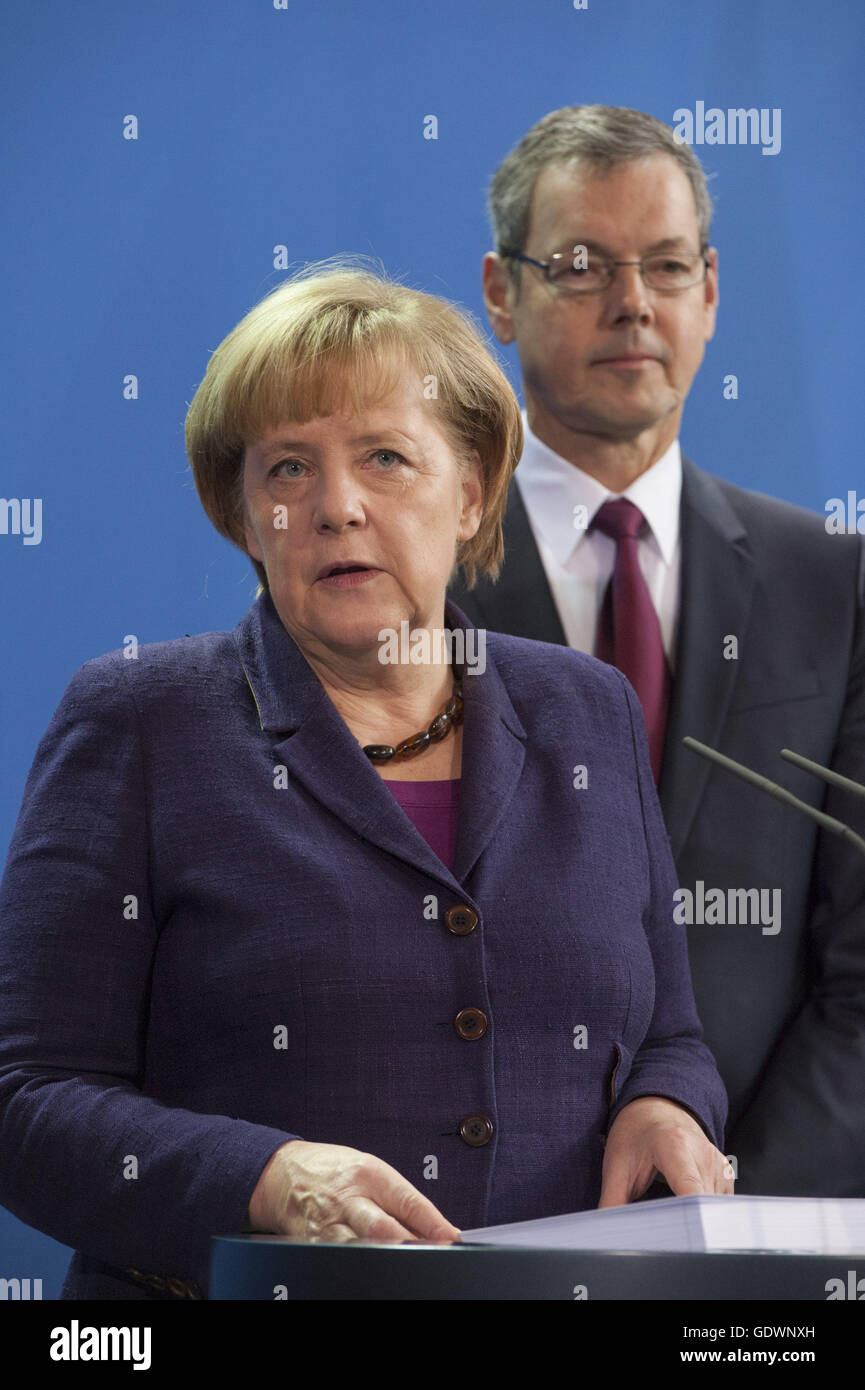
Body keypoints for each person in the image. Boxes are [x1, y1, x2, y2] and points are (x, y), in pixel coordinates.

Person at [0, 263, 729, 1303]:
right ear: (246, 517)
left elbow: (670, 1032)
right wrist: (261, 1179)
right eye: (288, 469)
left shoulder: (589, 709)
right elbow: (27, 1099)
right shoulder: (138, 721)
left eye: (385, 457)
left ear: (472, 489)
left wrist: (669, 1105)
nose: (336, 507)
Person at [447, 105, 865, 1197]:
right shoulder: (407, 582)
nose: (633, 303)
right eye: (583, 265)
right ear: (500, 291)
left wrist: (732, 1222)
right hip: (472, 1230)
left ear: (710, 291)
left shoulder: (837, 580)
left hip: (763, 1226)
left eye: (667, 266)